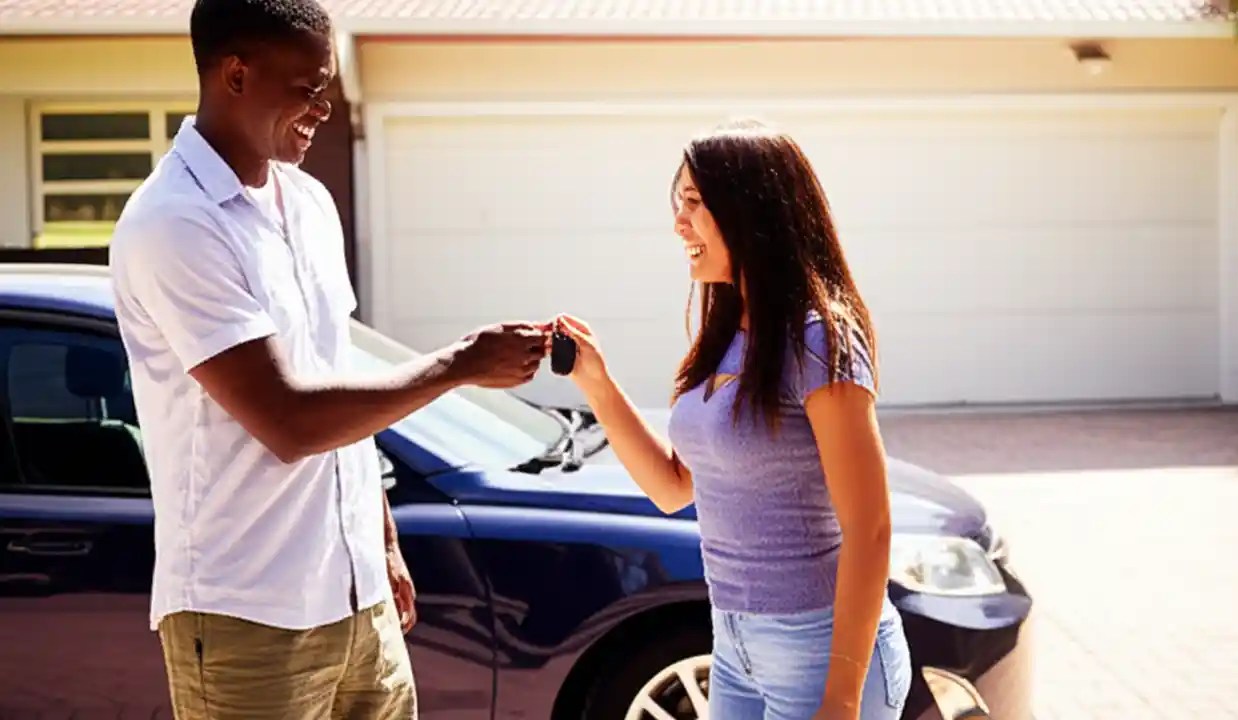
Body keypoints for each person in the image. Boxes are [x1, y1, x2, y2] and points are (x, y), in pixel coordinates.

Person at [108, 0, 548, 717]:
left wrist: (382, 539)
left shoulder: (309, 202)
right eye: (309, 89)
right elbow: (289, 419)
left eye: (330, 87)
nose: (325, 108)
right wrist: (462, 364)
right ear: (237, 74)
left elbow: (334, 371)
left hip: (356, 596)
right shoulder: (173, 223)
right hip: (246, 614)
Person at [553, 119, 911, 719]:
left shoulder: (820, 339)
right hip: (734, 646)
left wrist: (843, 698)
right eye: (679, 203)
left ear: (750, 210)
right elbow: (673, 488)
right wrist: (597, 381)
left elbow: (871, 527)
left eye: (694, 202)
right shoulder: (725, 338)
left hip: (821, 648)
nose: (679, 222)